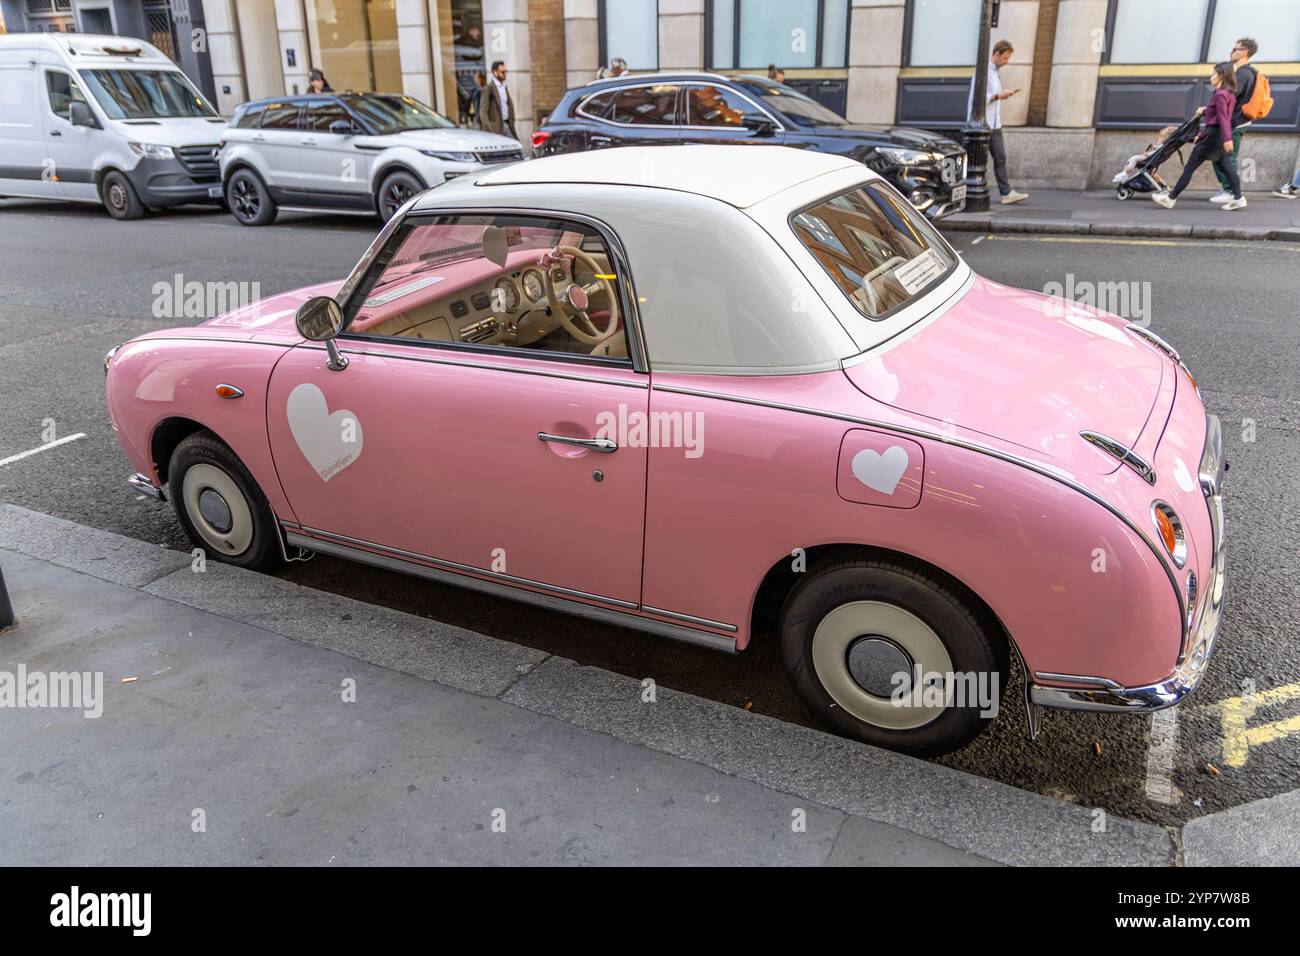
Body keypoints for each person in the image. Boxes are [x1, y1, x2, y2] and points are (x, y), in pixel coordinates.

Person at [1152, 63, 1245, 211]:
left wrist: (1227, 139)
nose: (1211, 77)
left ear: (1221, 75)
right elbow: (1222, 114)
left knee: (1189, 168)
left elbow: (1223, 118)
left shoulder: (1220, 94)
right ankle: (1238, 198)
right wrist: (1206, 111)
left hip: (1214, 136)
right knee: (1227, 167)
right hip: (1218, 136)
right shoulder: (1229, 94)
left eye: (1213, 74)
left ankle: (1170, 198)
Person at [967, 39, 1028, 205]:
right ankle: (967, 191)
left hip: (995, 124)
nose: (1007, 62)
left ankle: (1006, 193)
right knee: (976, 161)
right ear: (996, 54)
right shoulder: (983, 71)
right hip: (982, 125)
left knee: (1000, 157)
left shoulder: (995, 72)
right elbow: (976, 99)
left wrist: (1001, 95)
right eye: (1005, 58)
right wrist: (997, 96)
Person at [1209, 37, 1257, 203]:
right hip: (1236, 120)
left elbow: (1230, 96)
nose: (1231, 51)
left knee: (1228, 155)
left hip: (1235, 121)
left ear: (1244, 52)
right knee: (1220, 155)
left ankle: (1230, 191)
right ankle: (1227, 188)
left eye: (1235, 49)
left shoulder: (1243, 74)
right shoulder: (1247, 72)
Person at [1112, 125, 1179, 182]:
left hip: (1150, 158)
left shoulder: (1164, 145)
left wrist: (1151, 151)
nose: (1158, 141)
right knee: (1132, 159)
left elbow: (1158, 150)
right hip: (1151, 157)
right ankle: (1125, 173)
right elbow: (1158, 149)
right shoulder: (1165, 144)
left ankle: (1125, 174)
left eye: (1160, 139)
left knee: (1134, 158)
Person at [480, 60, 517, 141]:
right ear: (495, 72)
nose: (504, 74)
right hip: (497, 127)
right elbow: (483, 112)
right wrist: (490, 129)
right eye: (502, 72)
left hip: (507, 124)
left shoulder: (504, 87)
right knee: (515, 144)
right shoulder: (488, 89)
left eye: (505, 72)